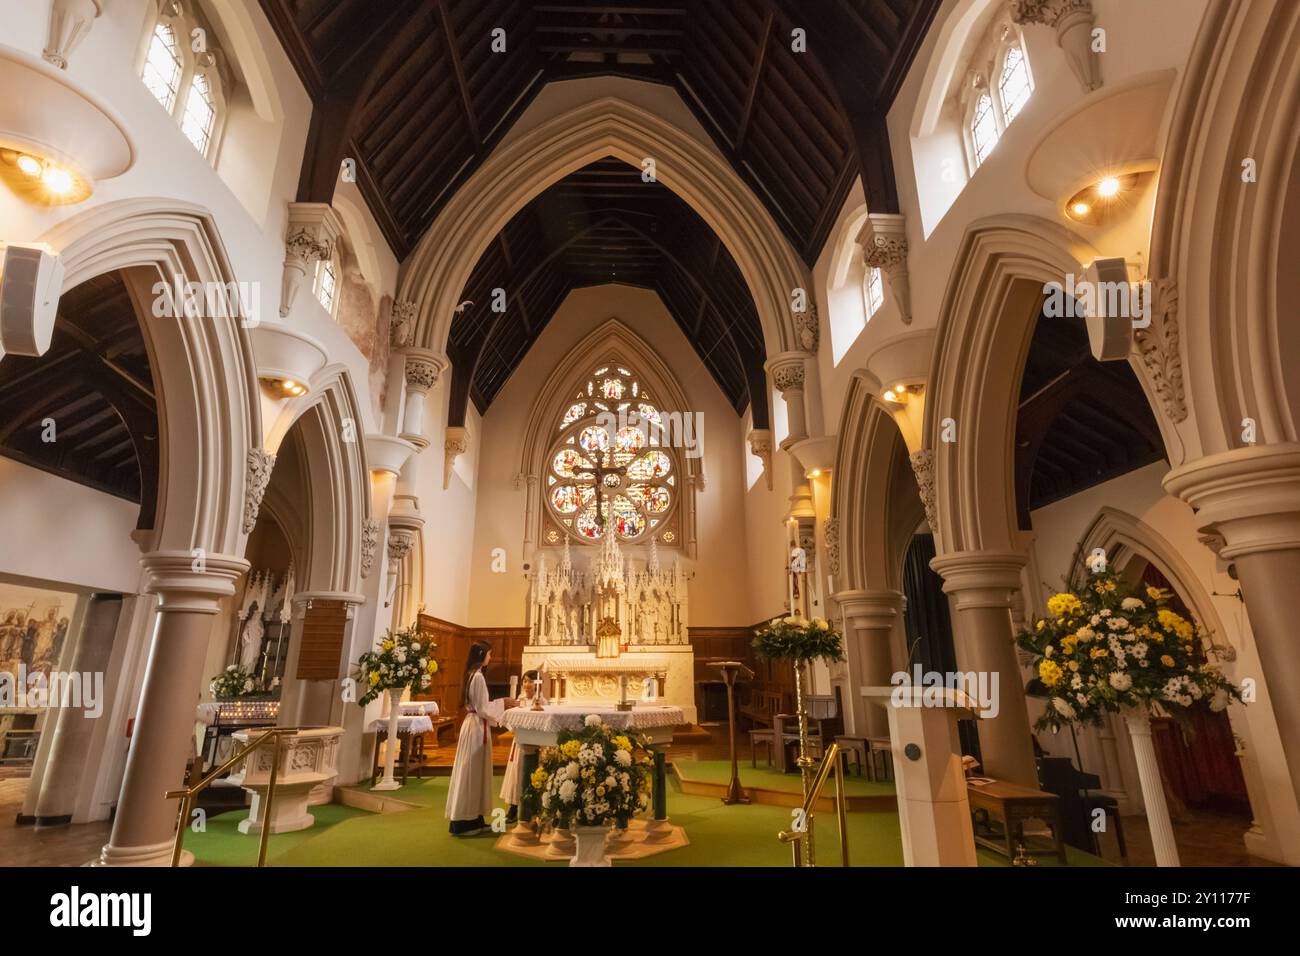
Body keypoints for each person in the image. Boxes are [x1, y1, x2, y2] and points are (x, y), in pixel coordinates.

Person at [445, 641, 516, 836]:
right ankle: (463, 823)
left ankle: (475, 819)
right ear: (482, 654)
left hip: (475, 725)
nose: (491, 658)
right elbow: (483, 709)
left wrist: (501, 704)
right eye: (490, 654)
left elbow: (481, 706)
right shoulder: (477, 677)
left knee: (474, 773)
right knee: (471, 773)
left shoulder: (472, 674)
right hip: (476, 727)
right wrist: (505, 703)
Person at [500, 670, 546, 824]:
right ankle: (513, 808)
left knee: (532, 774)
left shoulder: (541, 701)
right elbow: (509, 718)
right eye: (525, 681)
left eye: (531, 681)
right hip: (519, 742)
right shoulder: (518, 700)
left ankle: (534, 808)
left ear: (538, 683)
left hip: (534, 743)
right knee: (515, 774)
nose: (527, 684)